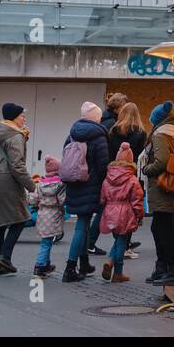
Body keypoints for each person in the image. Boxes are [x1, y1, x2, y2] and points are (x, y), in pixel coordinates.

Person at [0, 103, 37, 277]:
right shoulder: (15, 136)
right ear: (13, 117)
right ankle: (5, 257)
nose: (24, 119)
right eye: (22, 116)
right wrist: (31, 185)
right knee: (21, 218)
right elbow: (17, 165)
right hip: (8, 183)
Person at [61, 101, 110, 283]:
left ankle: (84, 263)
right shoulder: (99, 137)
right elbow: (103, 166)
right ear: (97, 118)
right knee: (82, 226)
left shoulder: (72, 135)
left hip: (74, 184)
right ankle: (70, 267)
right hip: (91, 185)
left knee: (84, 223)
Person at [141, 101, 174, 285]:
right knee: (161, 228)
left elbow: (161, 162)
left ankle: (172, 270)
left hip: (162, 188)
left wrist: (145, 169)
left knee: (162, 230)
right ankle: (162, 268)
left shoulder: (160, 136)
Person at [86, 92, 128, 251]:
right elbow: (107, 150)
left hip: (99, 170)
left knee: (104, 207)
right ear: (118, 106)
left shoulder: (104, 120)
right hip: (106, 170)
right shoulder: (112, 124)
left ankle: (116, 241)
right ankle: (96, 242)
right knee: (105, 206)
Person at [107, 102, 148, 260]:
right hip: (132, 173)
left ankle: (118, 241)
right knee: (131, 210)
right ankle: (125, 245)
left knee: (115, 207)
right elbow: (141, 156)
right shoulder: (140, 133)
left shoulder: (112, 132)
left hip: (114, 173)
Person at [98, 143, 144, 283]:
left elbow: (102, 198)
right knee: (122, 241)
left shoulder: (108, 177)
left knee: (118, 240)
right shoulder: (132, 179)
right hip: (125, 212)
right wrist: (139, 215)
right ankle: (117, 272)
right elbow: (137, 199)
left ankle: (110, 262)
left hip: (110, 211)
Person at [30, 156, 66, 278]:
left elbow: (33, 200)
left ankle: (46, 264)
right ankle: (39, 267)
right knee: (46, 243)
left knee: (46, 241)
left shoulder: (40, 184)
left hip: (42, 214)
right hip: (54, 214)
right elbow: (62, 200)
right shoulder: (60, 184)